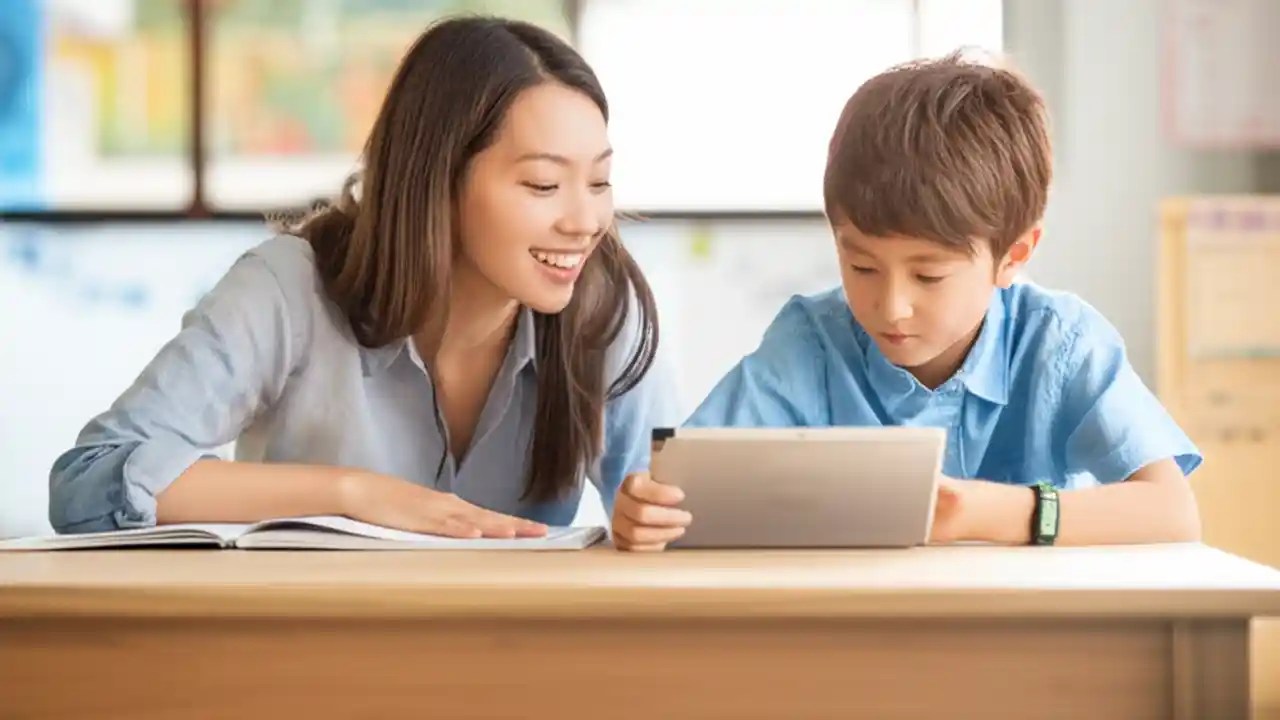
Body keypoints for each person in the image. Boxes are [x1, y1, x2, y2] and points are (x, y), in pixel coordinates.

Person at [49, 15, 678, 538]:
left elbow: (680, 502)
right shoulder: (289, 290)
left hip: (507, 665)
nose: (587, 220)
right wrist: (349, 494)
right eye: (544, 184)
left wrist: (652, 519)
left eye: (598, 182)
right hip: (309, 663)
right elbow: (90, 481)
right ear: (439, 181)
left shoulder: (601, 303)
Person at [612, 53, 1202, 551]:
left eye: (928, 275)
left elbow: (1173, 515)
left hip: (1025, 643)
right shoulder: (811, 344)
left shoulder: (1061, 343)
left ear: (1014, 256)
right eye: (861, 265)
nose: (891, 307)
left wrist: (980, 512)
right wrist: (649, 510)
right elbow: (686, 491)